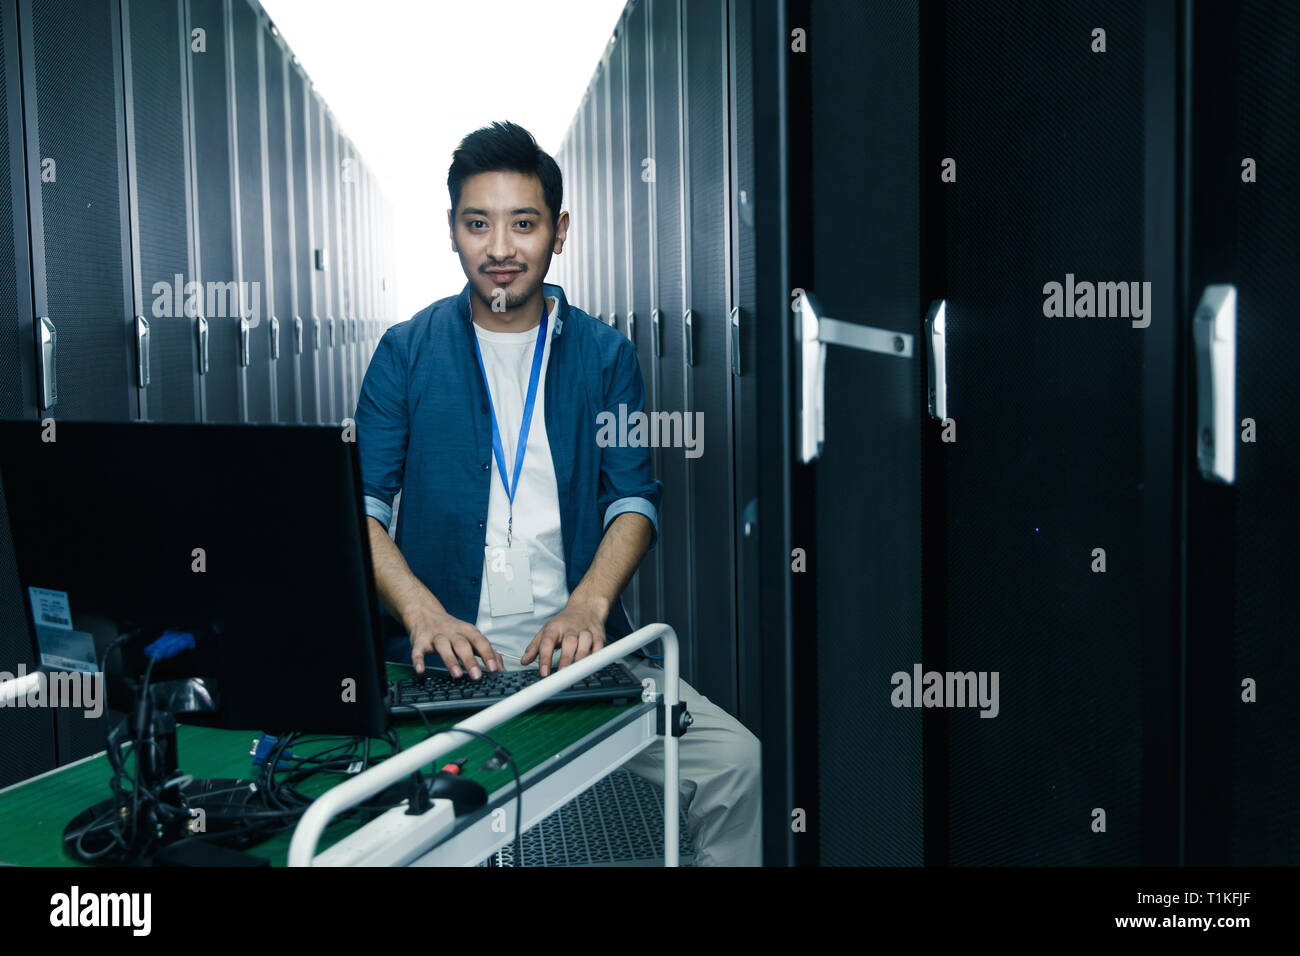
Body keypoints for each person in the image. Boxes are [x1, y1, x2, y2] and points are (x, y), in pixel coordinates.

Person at [354, 120, 760, 866]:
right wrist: (421, 613)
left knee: (738, 763)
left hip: (573, 659)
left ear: (559, 231)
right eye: (478, 224)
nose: (500, 248)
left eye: (524, 223)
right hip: (437, 663)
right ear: (452, 233)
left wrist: (588, 606)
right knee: (371, 821)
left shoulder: (606, 357)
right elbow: (362, 514)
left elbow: (632, 501)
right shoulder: (404, 355)